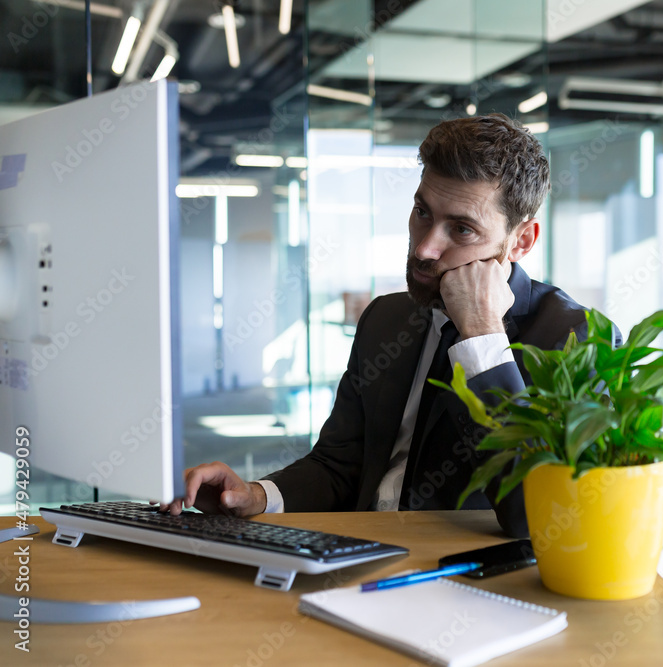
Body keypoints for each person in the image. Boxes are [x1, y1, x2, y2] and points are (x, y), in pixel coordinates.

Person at [165, 114, 596, 537]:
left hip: (468, 584)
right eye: (422, 212)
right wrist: (256, 496)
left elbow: (536, 517)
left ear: (521, 241)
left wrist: (482, 337)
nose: (425, 247)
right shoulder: (386, 319)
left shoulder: (573, 339)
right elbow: (340, 465)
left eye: (461, 229)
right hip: (359, 556)